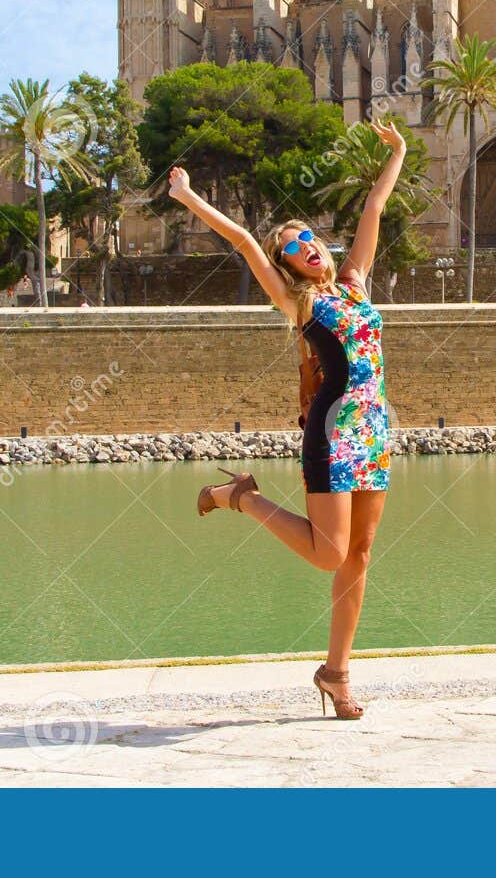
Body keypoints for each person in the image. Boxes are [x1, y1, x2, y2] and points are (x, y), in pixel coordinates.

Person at [166, 118, 406, 721]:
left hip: (374, 431)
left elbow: (375, 204)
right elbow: (246, 241)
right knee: (330, 555)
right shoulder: (299, 302)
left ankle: (336, 673)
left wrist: (398, 150)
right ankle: (241, 498)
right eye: (295, 248)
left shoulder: (353, 283)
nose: (308, 248)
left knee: (360, 557)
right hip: (331, 434)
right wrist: (189, 196)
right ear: (291, 267)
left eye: (310, 239)